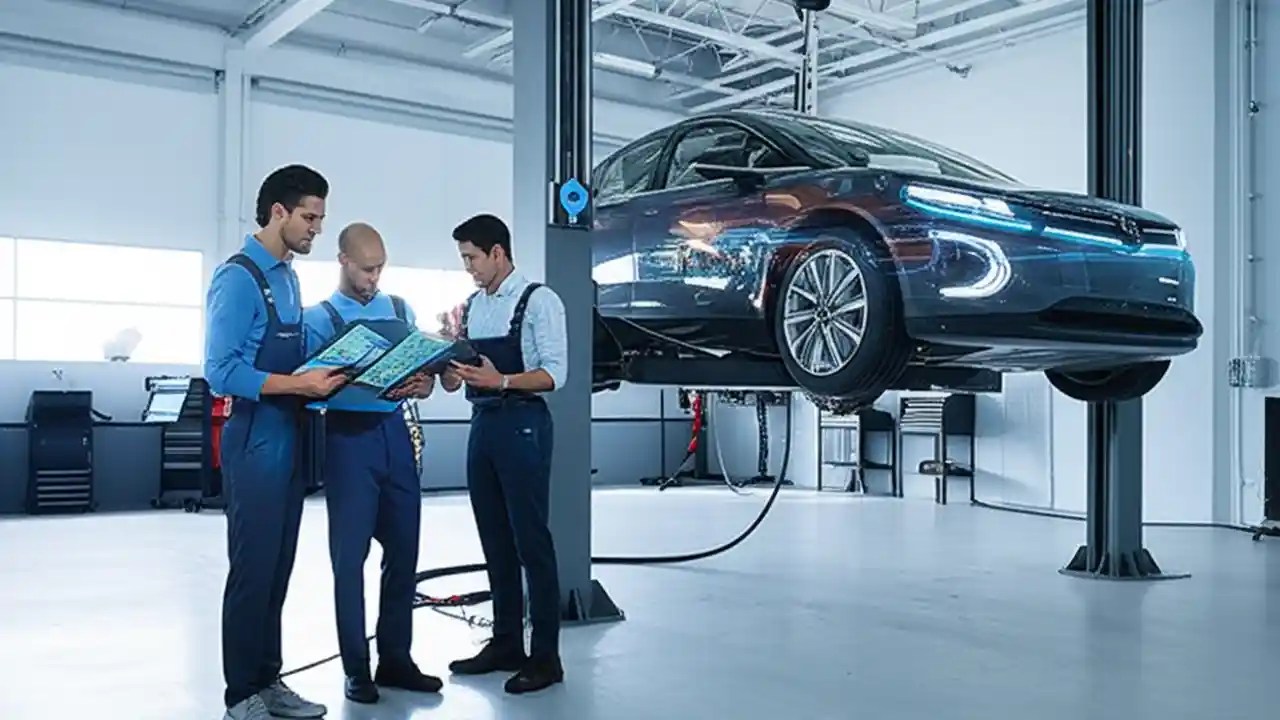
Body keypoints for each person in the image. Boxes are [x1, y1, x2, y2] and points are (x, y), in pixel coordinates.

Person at [205, 165, 344, 720]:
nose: (316, 229)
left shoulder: (288, 276)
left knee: (279, 566)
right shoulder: (237, 278)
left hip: (292, 432)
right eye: (309, 217)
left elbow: (297, 346)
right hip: (256, 436)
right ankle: (241, 694)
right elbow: (219, 370)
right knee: (252, 568)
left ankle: (269, 680)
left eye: (321, 219)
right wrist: (297, 384)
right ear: (278, 212)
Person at [300, 222, 442, 704]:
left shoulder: (400, 309)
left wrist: (425, 382)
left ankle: (396, 659)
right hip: (347, 440)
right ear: (342, 261)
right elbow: (307, 389)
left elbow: (423, 372)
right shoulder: (317, 318)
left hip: (396, 436)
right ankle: (356, 669)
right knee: (349, 560)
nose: (374, 278)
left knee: (404, 553)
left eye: (380, 268)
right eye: (365, 269)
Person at [438, 213, 568, 695]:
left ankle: (546, 656)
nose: (468, 267)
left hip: (524, 424)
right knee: (493, 538)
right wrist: (451, 373)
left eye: (472, 258)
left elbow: (557, 374)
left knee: (531, 541)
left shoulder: (539, 301)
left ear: (498, 252)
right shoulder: (472, 307)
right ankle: (506, 642)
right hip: (484, 425)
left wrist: (503, 380)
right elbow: (462, 375)